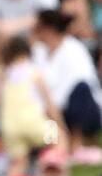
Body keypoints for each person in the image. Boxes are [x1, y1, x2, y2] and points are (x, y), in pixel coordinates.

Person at [31, 10, 102, 162]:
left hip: (80, 109)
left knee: (80, 90)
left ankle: (76, 144)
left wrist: (52, 106)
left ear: (48, 29)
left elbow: (77, 85)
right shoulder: (38, 52)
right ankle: (52, 148)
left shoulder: (74, 49)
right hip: (49, 111)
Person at [0, 35, 61, 175]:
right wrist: (59, 123)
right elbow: (49, 104)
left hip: (10, 126)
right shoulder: (34, 71)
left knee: (18, 163)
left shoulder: (4, 73)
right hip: (33, 123)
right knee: (57, 137)